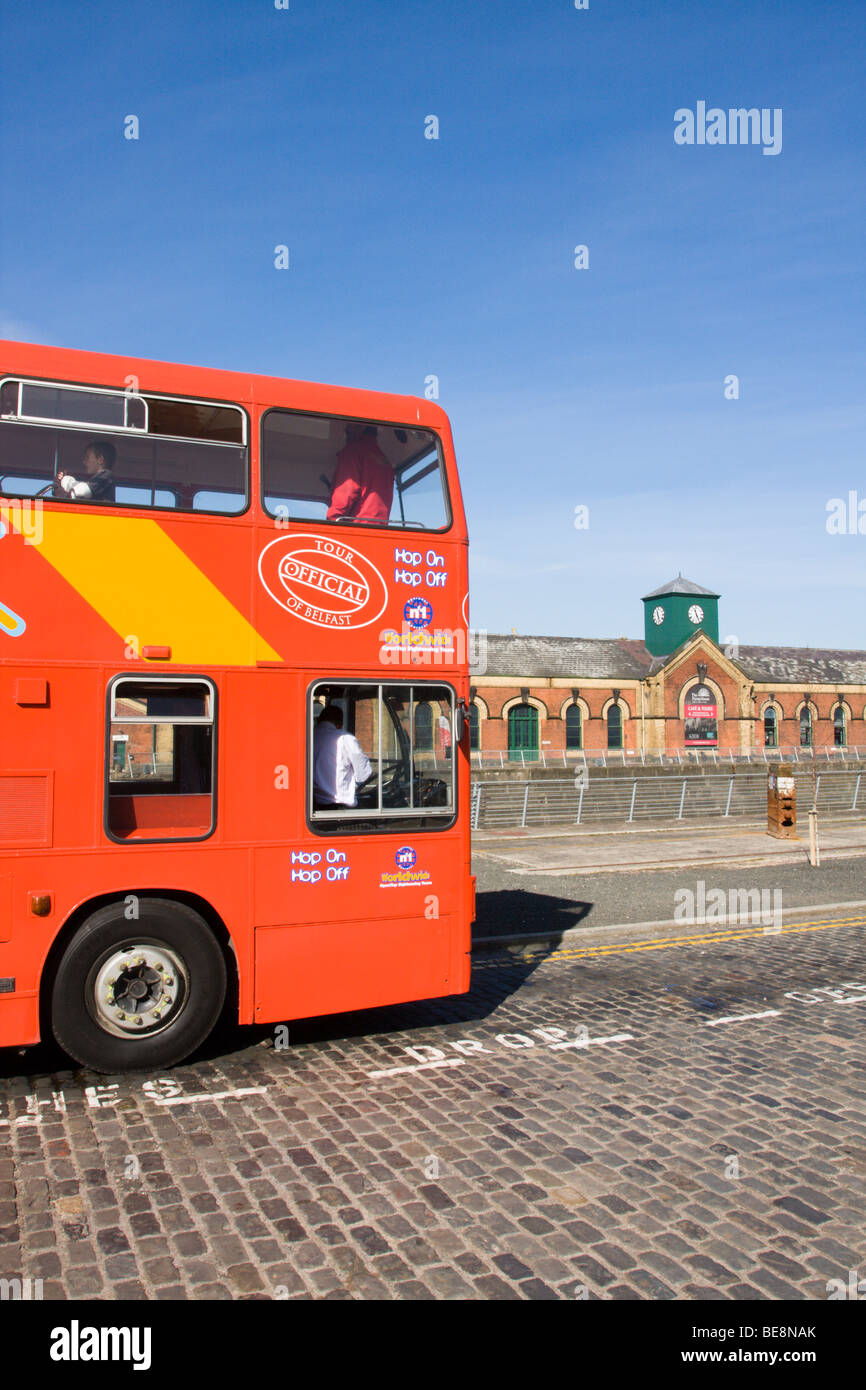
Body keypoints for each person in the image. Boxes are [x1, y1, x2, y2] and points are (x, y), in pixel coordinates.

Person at [326, 423, 393, 522]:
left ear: (361, 427)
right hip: (380, 528)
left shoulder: (353, 451)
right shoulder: (385, 460)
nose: (346, 430)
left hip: (356, 526)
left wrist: (332, 519)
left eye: (349, 426)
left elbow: (346, 491)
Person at [313, 705, 372, 809]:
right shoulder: (345, 738)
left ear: (319, 719)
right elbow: (363, 774)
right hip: (339, 809)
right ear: (340, 724)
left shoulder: (309, 737)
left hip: (314, 804)